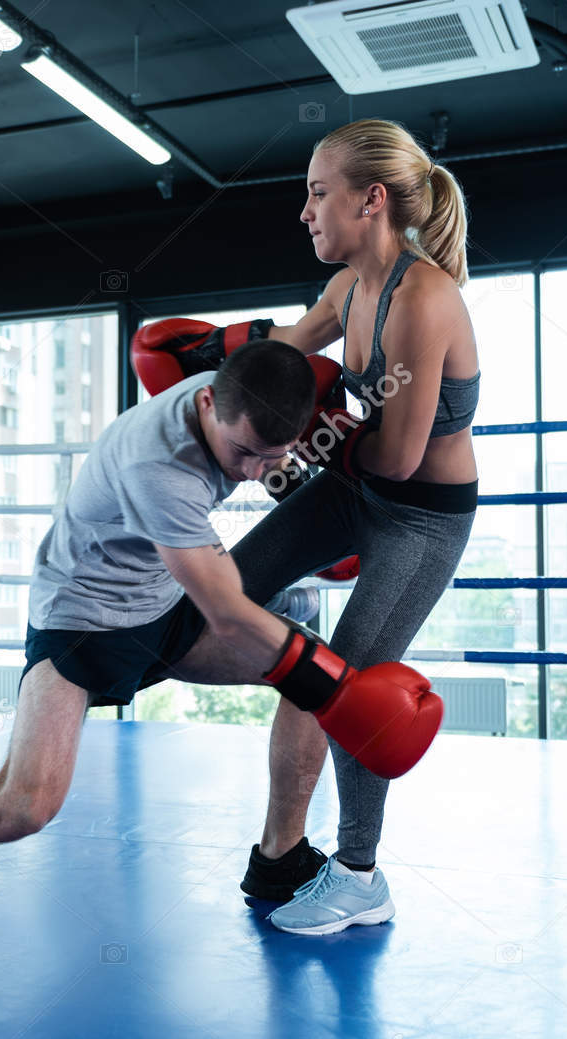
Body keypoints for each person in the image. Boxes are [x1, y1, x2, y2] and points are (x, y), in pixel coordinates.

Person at [0, 339, 445, 964]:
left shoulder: (245, 393)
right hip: (85, 624)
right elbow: (226, 610)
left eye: (270, 456)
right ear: (204, 407)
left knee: (306, 683)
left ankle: (280, 858)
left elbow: (308, 329)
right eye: (243, 452)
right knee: (24, 805)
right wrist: (340, 688)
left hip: (163, 606)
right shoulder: (156, 465)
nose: (253, 470)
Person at [131, 119, 480, 936]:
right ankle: (159, 668)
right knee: (217, 597)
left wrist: (314, 433)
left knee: (354, 690)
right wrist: (206, 367)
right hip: (353, 493)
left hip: (420, 520)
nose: (306, 212)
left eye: (319, 194)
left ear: (372, 199)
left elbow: (395, 459)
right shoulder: (349, 287)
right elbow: (279, 366)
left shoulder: (422, 301)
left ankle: (359, 874)